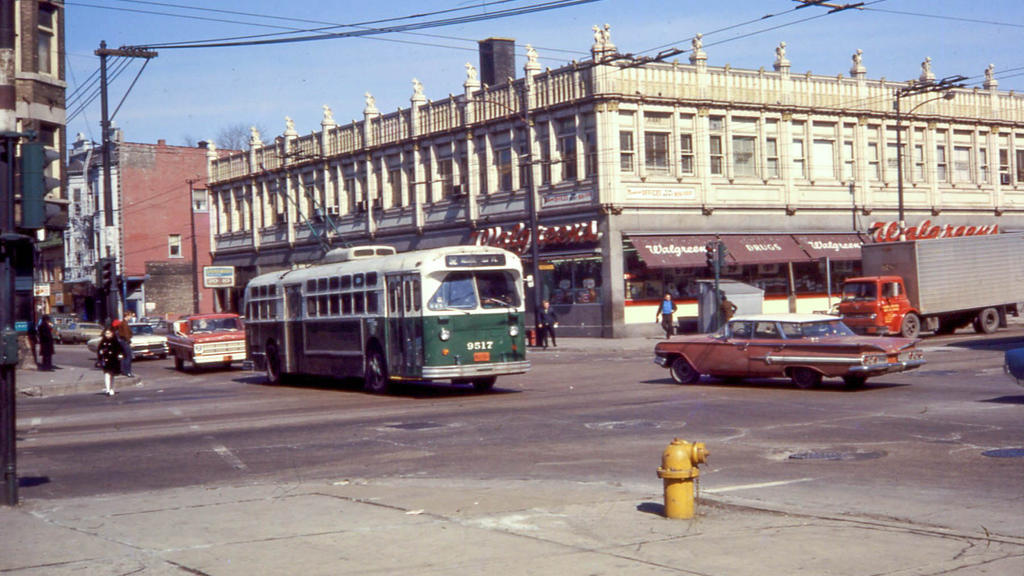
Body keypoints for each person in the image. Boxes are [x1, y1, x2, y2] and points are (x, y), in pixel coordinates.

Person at [96, 325, 124, 396]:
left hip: (113, 361)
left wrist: (120, 355)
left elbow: (120, 349)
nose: (107, 335)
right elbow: (99, 349)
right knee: (107, 374)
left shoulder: (115, 341)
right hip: (106, 360)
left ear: (112, 333)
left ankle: (112, 388)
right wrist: (100, 354)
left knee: (112, 375)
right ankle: (108, 389)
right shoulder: (103, 341)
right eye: (106, 333)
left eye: (108, 333)